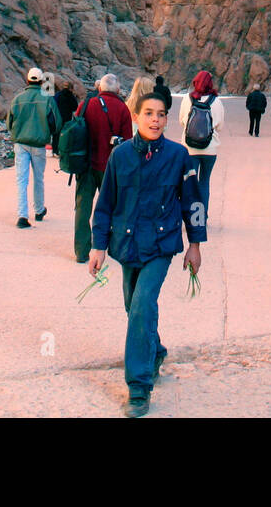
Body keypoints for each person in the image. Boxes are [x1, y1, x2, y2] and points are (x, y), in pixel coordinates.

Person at [89, 89, 206, 417]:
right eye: (149, 113)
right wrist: (98, 245)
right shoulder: (121, 155)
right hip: (127, 245)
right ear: (136, 116)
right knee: (133, 306)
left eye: (161, 114)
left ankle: (139, 387)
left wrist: (194, 246)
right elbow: (106, 203)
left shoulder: (178, 156)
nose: (156, 119)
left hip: (160, 245)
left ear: (167, 119)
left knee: (141, 305)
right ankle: (154, 352)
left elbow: (194, 203)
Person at [74, 73, 133, 263]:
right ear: (117, 89)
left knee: (83, 207)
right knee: (114, 208)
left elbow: (76, 128)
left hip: (86, 164)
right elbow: (128, 143)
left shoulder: (86, 104)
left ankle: (81, 252)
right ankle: (114, 247)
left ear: (100, 88)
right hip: (111, 168)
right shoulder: (123, 109)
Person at [7, 67, 62, 228]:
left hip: (21, 143)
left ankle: (22, 216)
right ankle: (39, 210)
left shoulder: (18, 99)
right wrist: (47, 134)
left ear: (27, 80)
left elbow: (9, 123)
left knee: (21, 180)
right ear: (41, 81)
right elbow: (56, 123)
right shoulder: (47, 99)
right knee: (38, 179)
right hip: (39, 145)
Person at [177, 71, 224, 211]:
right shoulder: (217, 101)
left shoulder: (187, 99)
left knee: (190, 184)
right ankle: (202, 217)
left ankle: (191, 216)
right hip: (210, 149)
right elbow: (220, 126)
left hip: (190, 149)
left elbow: (181, 121)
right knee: (204, 183)